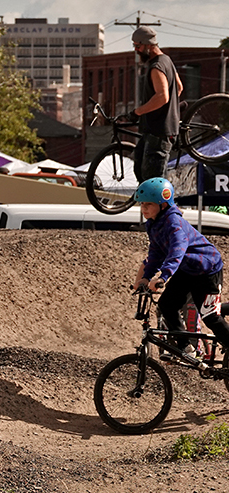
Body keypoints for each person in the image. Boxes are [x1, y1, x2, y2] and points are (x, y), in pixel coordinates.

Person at [132, 177, 229, 361]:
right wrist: (146, 277)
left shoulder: (173, 223)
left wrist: (163, 277)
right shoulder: (153, 224)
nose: (143, 208)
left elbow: (177, 251)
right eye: (142, 204)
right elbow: (155, 254)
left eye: (148, 204)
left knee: (209, 315)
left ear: (163, 204)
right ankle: (187, 348)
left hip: (207, 270)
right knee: (167, 306)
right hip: (187, 270)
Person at [118, 26, 183, 182]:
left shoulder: (157, 67)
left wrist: (137, 112)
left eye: (138, 46)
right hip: (153, 129)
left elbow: (162, 97)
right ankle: (149, 204)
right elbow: (179, 88)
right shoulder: (167, 60)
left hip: (160, 131)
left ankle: (161, 205)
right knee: (139, 166)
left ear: (148, 45)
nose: (136, 50)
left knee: (153, 178)